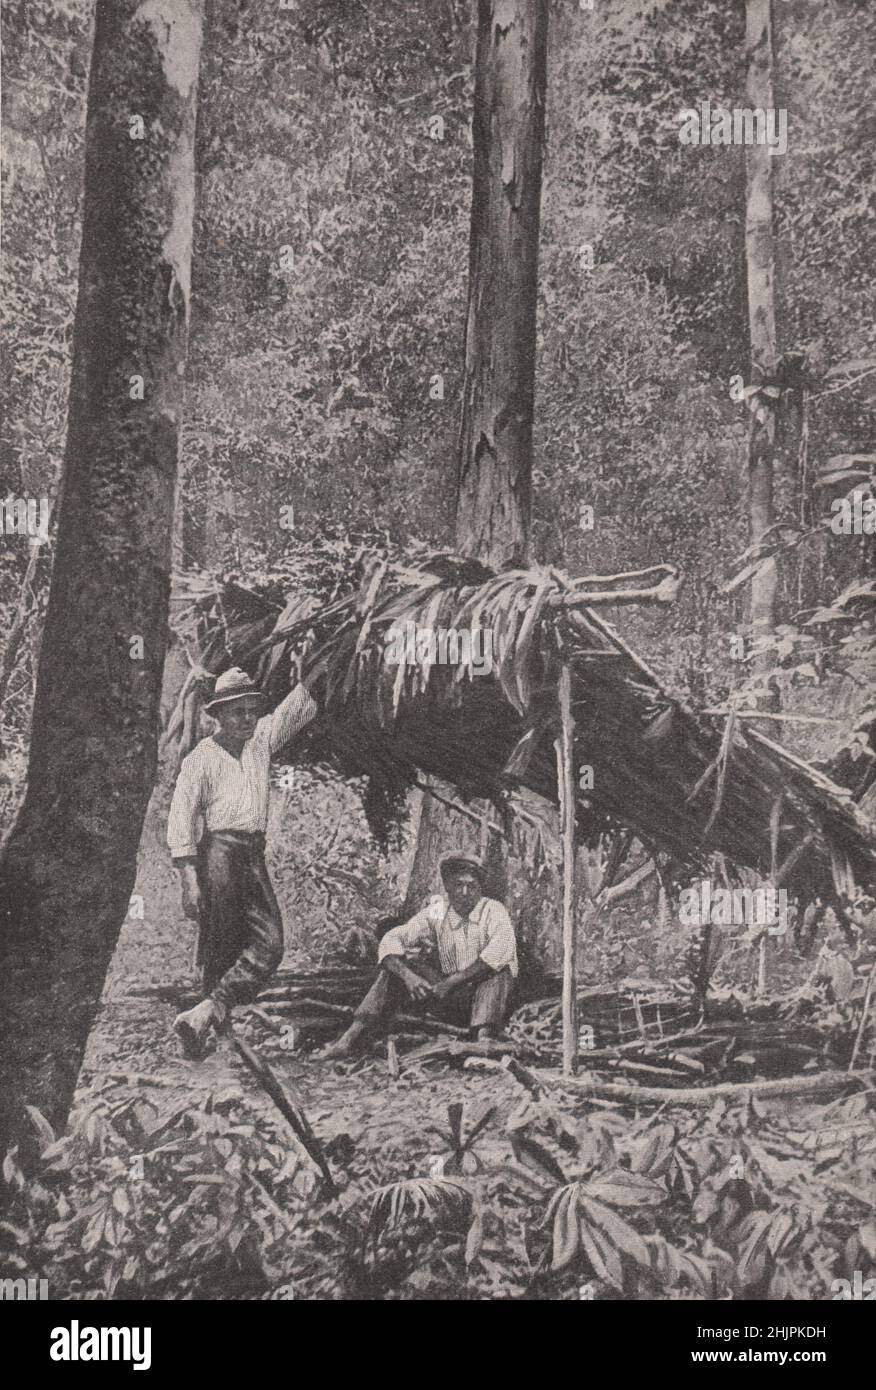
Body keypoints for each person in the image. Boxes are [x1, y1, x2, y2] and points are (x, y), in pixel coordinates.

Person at [168, 664, 317, 1057]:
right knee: (221, 944)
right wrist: (188, 878)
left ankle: (205, 1012)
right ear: (217, 715)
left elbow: (298, 706)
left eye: (252, 710)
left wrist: (320, 658)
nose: (247, 718)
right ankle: (213, 1037)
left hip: (252, 852)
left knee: (270, 944)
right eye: (238, 712)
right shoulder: (202, 758)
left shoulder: (261, 741)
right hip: (218, 853)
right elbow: (181, 816)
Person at [323, 855, 517, 1057]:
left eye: (472, 886)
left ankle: (484, 1039)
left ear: (479, 888)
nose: (465, 892)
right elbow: (394, 938)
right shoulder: (438, 911)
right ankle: (349, 1039)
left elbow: (501, 949)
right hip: (446, 997)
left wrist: (451, 981)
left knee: (499, 971)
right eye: (458, 885)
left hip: (479, 999)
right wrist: (409, 977)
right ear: (448, 887)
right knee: (401, 968)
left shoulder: (493, 910)